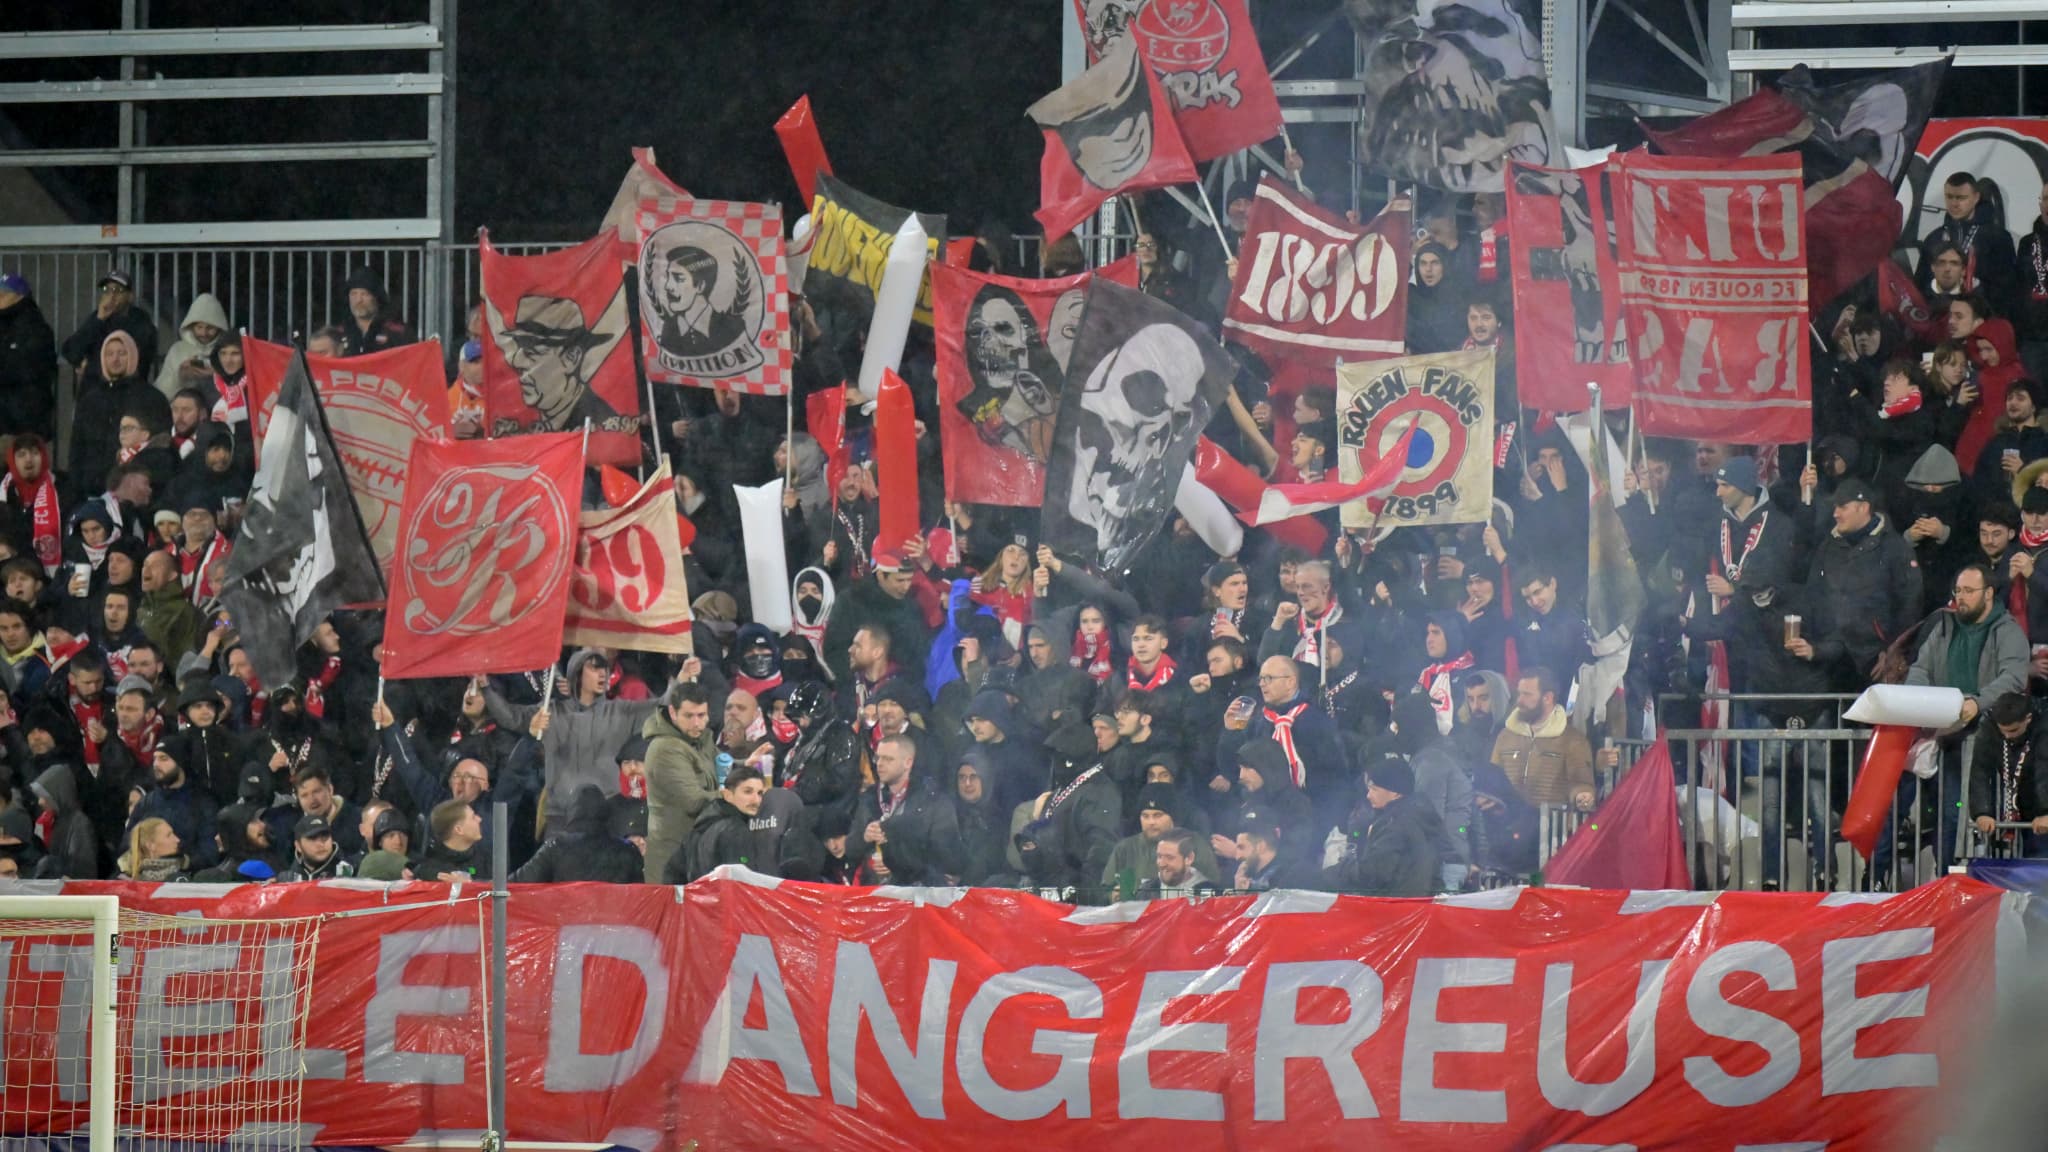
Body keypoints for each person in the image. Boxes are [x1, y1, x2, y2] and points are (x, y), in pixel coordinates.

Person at [1880, 562, 2028, 882]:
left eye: (1968, 591)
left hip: (1988, 737)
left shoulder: (2008, 630)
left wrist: (1977, 702)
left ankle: (1969, 883)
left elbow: (2013, 679)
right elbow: (1921, 668)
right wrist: (1918, 700)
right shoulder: (1945, 626)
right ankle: (1946, 880)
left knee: (1966, 814)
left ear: (1988, 594)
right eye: (1958, 591)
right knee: (1947, 814)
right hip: (1947, 734)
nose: (1960, 597)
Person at [1014, 723, 1119, 899]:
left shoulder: (1098, 791)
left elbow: (1101, 847)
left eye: (1062, 756)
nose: (1056, 763)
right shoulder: (1063, 788)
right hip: (1052, 889)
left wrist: (1083, 893)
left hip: (1078, 895)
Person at [847, 732, 964, 886]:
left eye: (888, 759)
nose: (880, 764)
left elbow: (948, 858)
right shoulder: (869, 798)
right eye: (878, 757)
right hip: (873, 890)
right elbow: (849, 850)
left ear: (908, 763)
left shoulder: (932, 800)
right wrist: (864, 837)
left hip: (917, 893)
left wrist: (895, 859)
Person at [1325, 756, 1444, 897]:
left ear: (1394, 793)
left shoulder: (1394, 824)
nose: (1368, 795)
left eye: (1374, 789)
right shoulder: (1420, 814)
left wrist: (1342, 869)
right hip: (1418, 905)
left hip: (1394, 908)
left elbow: (1373, 875)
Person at [642, 680, 718, 883]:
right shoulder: (666, 749)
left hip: (693, 856)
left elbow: (721, 766)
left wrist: (747, 765)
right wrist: (733, 796)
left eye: (701, 715)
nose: (696, 723)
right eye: (689, 716)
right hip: (670, 862)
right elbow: (693, 801)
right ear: (673, 713)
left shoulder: (699, 741)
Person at [1489, 667, 1595, 810]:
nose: (1519, 700)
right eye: (1519, 693)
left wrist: (1582, 795)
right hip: (1508, 824)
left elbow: (1581, 782)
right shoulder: (1505, 736)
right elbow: (1492, 778)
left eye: (1527, 694)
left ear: (1548, 698)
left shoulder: (1572, 739)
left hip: (1553, 826)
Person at [1917, 172, 2016, 313]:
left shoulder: (1998, 238)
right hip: (1938, 320)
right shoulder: (1934, 238)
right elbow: (1920, 284)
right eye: (1949, 197)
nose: (1954, 203)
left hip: (1980, 321)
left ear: (1976, 198)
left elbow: (2008, 290)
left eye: (1961, 198)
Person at [1101, 781, 1219, 898]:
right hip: (1138, 914)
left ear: (1172, 817)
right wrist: (1113, 896)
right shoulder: (1125, 849)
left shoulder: (1194, 844)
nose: (1151, 822)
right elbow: (1105, 891)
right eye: (1145, 816)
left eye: (1158, 815)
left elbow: (1213, 888)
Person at [512, 784, 643, 884]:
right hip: (615, 918)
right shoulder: (628, 851)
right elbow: (641, 897)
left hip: (567, 918)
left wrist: (491, 888)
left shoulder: (556, 847)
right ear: (605, 812)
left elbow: (519, 881)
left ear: (572, 812)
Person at [1971, 692, 2048, 858]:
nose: (2007, 736)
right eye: (2003, 731)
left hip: (2039, 798)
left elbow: (2044, 768)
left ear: (2028, 719)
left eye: (2013, 730)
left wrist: (2045, 811)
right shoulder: (1989, 726)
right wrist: (1982, 812)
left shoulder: (2044, 726)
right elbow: (1980, 770)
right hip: (2020, 799)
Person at [59, 269, 157, 394]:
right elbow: (70, 351)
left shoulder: (141, 323)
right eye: (107, 290)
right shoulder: (98, 318)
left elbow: (130, 364)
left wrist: (89, 367)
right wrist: (98, 319)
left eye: (118, 290)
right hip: (94, 394)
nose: (112, 296)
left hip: (127, 394)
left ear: (130, 296)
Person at [670, 764, 770, 883]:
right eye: (747, 792)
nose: (756, 800)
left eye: (760, 793)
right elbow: (741, 884)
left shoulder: (699, 827)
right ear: (727, 795)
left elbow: (672, 873)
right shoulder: (735, 830)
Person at [0, 272, 57, 442]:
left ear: (19, 296)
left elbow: (27, 369)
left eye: (3, 294)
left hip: (25, 421)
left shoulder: (35, 328)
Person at [154, 294, 229, 400]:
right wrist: (180, 376)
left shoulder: (227, 351)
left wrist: (216, 375)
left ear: (219, 327)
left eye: (210, 328)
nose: (204, 333)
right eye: (199, 327)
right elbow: (161, 393)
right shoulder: (178, 350)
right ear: (191, 326)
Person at [338, 267, 413, 356]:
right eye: (353, 294)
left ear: (377, 298)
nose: (358, 300)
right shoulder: (338, 333)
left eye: (365, 294)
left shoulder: (398, 332)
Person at [1137, 829, 1222, 899]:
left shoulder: (1211, 894)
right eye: (1159, 856)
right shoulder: (1147, 891)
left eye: (1170, 857)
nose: (1162, 864)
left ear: (1189, 858)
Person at [417, 798, 484, 882]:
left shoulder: (487, 858)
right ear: (459, 829)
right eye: (473, 817)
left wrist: (471, 885)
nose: (479, 819)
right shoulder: (432, 871)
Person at [276, 813, 354, 882]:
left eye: (325, 836)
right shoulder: (287, 880)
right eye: (312, 838)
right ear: (298, 846)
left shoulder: (349, 871)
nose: (320, 844)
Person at [117, 816, 186, 881]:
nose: (177, 840)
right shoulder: (124, 880)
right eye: (168, 835)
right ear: (151, 846)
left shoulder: (184, 875)